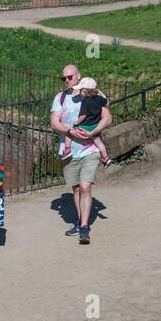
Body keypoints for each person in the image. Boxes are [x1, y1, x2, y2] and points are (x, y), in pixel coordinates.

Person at [50, 65, 111, 245]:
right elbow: (54, 123)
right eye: (64, 78)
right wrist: (71, 131)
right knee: (76, 188)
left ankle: (84, 226)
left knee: (85, 186)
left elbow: (107, 118)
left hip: (90, 149)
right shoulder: (60, 98)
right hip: (70, 151)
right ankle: (79, 221)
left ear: (78, 76)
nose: (67, 81)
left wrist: (93, 133)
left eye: (69, 77)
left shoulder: (94, 93)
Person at [61, 77, 111, 165]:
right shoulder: (99, 99)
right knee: (98, 142)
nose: (80, 92)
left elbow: (83, 115)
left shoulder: (85, 101)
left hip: (85, 126)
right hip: (95, 126)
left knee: (69, 133)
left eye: (81, 90)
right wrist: (100, 93)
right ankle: (105, 157)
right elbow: (107, 102)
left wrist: (77, 122)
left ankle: (67, 150)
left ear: (85, 91)